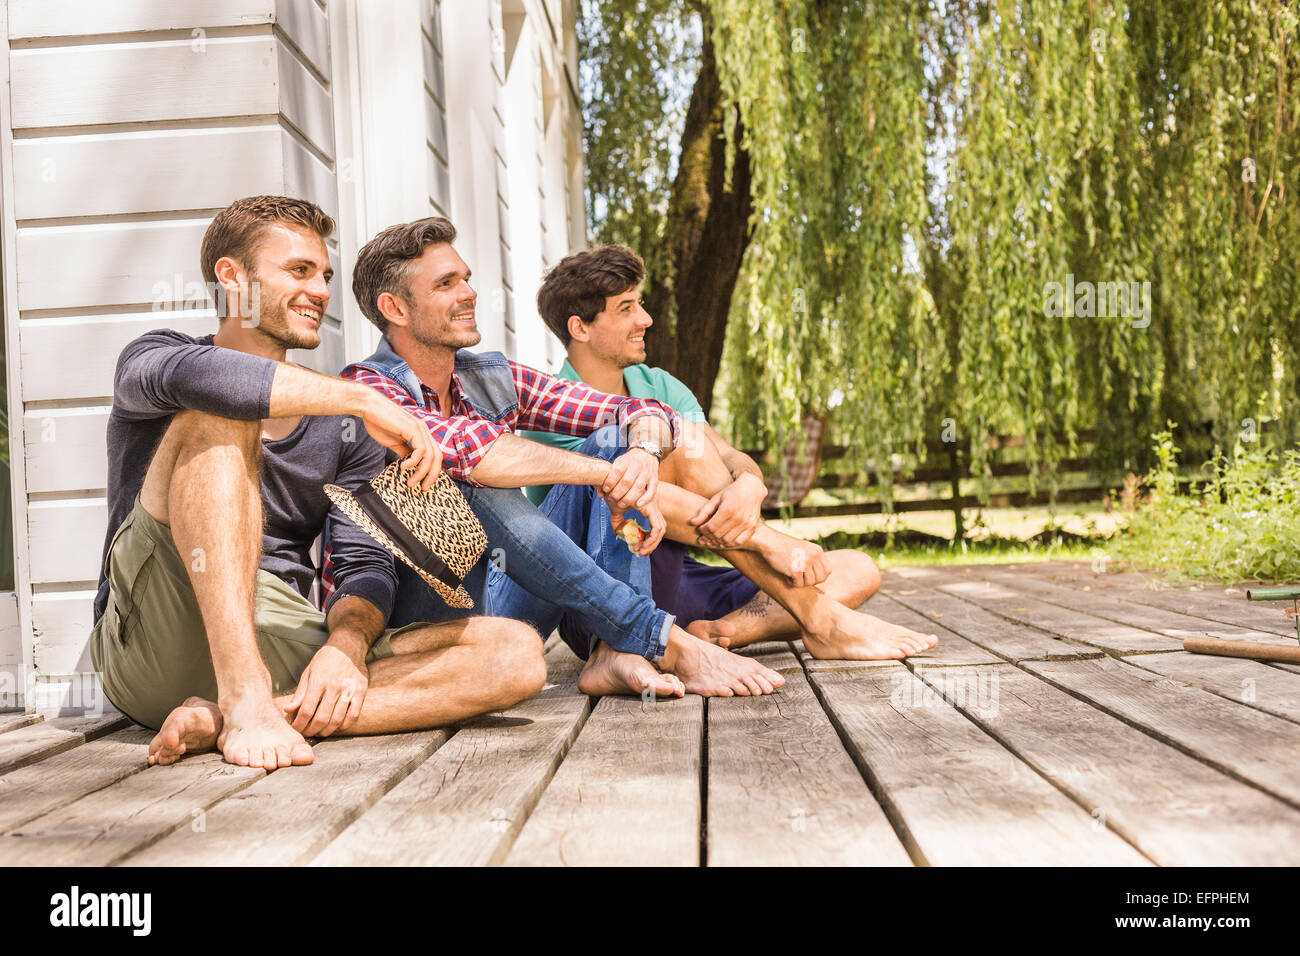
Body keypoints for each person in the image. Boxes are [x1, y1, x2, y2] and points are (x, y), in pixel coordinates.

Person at [90, 196, 546, 772]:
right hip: (154, 631)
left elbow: (363, 563)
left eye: (324, 275)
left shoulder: (343, 427)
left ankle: (249, 714)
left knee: (515, 656)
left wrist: (344, 647)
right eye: (299, 271)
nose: (320, 290)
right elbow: (215, 382)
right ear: (233, 277)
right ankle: (244, 696)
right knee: (216, 415)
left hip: (277, 632)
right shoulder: (156, 358)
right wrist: (362, 396)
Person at [340, 216, 789, 699]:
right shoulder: (367, 386)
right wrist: (605, 474)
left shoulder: (490, 376)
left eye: (466, 278)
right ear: (395, 308)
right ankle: (661, 640)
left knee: (614, 435)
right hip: (435, 621)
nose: (469, 293)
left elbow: (643, 411)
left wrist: (639, 451)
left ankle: (617, 651)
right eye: (446, 284)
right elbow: (476, 454)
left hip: (508, 598)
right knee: (468, 482)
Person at [521, 244, 938, 660]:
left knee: (856, 568)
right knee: (679, 443)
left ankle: (723, 633)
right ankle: (820, 619)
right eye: (626, 308)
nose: (645, 319)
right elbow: (632, 497)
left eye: (640, 304)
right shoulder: (552, 410)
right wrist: (766, 539)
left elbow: (727, 456)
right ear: (580, 328)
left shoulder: (659, 385)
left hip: (677, 580)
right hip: (601, 602)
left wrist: (750, 485)